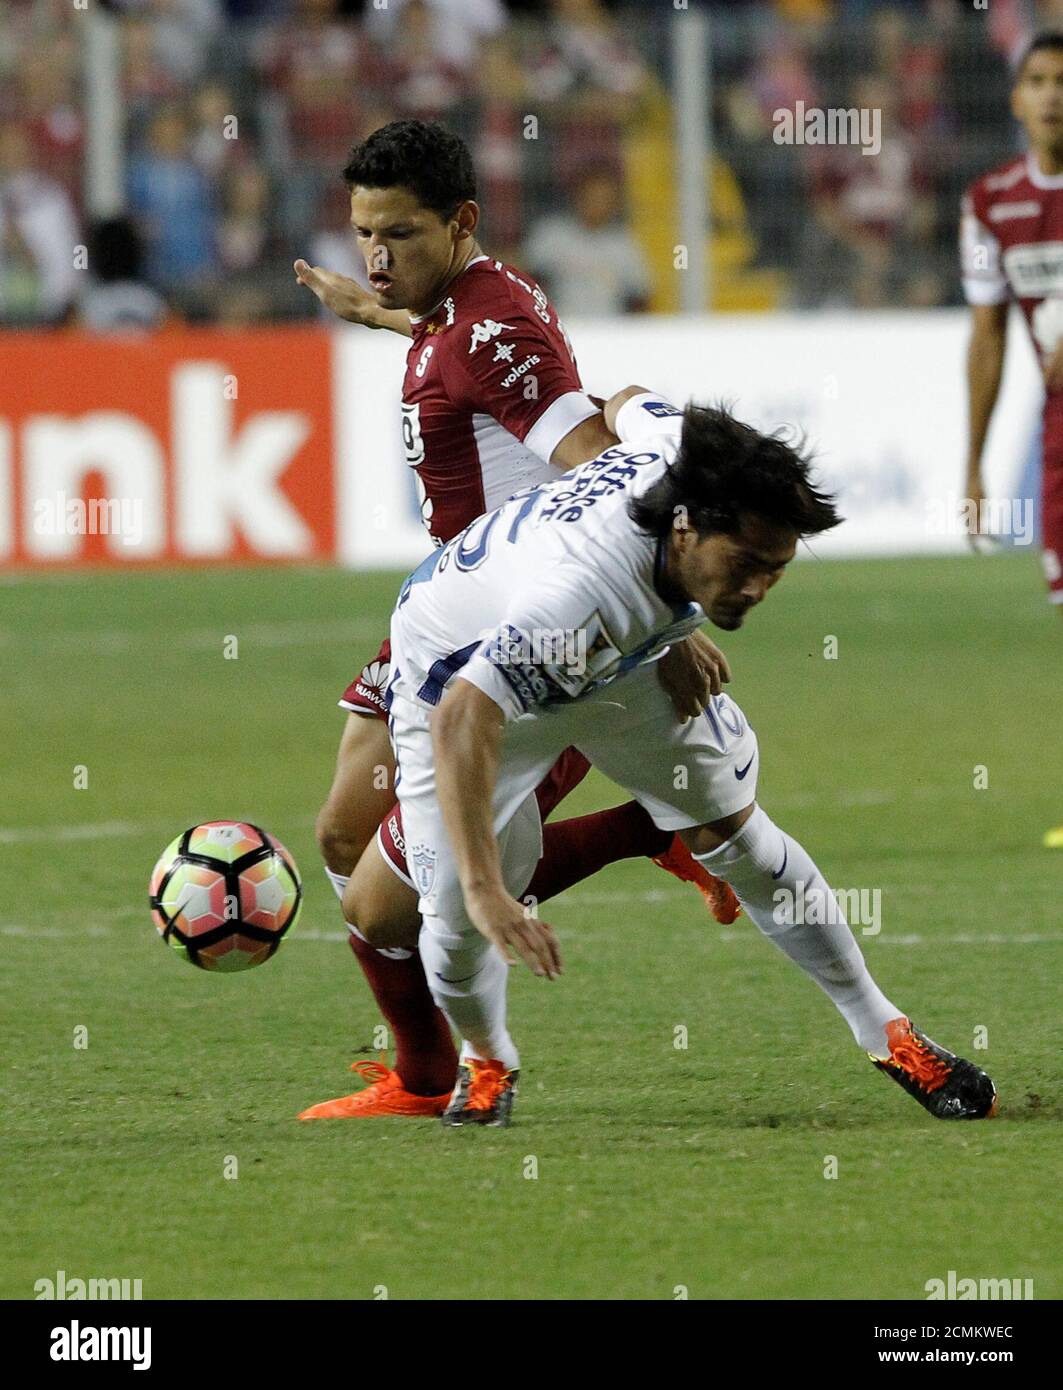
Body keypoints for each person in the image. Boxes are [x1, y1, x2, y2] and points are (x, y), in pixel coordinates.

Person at [381, 384, 999, 1128]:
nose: (758, 586)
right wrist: (486, 888)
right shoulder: (580, 597)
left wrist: (671, 626)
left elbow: (625, 401)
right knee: (451, 924)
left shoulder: (680, 461)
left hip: (614, 661)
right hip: (457, 684)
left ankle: (885, 1032)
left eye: (775, 568)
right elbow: (464, 717)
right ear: (683, 533)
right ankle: (487, 1060)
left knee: (734, 834)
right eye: (744, 563)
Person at [293, 120, 739, 1120]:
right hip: (444, 601)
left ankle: (436, 1074)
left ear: (460, 223)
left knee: (378, 903)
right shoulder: (462, 311)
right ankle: (640, 835)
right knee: (338, 830)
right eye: (363, 231)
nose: (375, 253)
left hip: (519, 630)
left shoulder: (489, 329)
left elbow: (597, 456)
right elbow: (463, 357)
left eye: (398, 235)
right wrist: (379, 313)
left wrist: (666, 617)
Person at [961, 32, 1063, 848]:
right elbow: (988, 335)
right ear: (1015, 99)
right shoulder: (991, 201)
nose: (1052, 94)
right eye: (1037, 80)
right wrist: (973, 462)